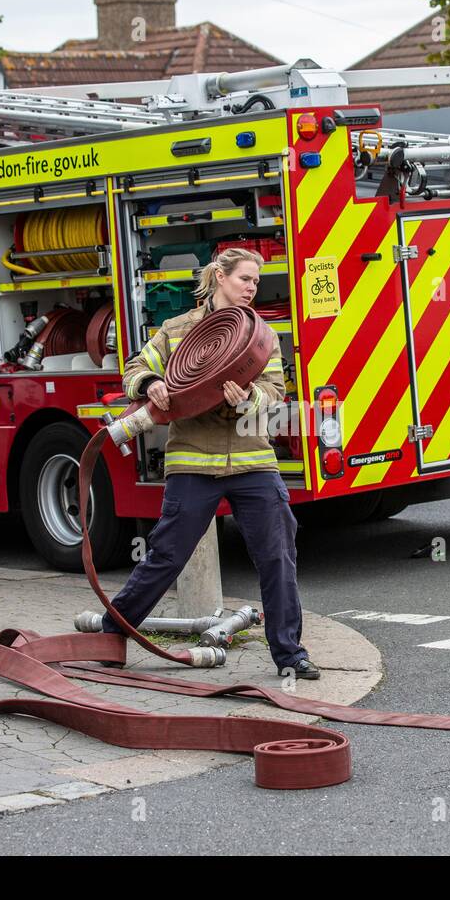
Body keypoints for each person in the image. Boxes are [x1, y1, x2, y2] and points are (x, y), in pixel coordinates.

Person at [106, 247, 320, 679]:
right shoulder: (176, 330)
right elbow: (133, 370)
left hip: (252, 462)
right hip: (193, 463)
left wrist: (251, 398)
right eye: (245, 279)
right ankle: (111, 633)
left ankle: (290, 655)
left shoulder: (261, 334)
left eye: (256, 282)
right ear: (220, 276)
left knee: (277, 555)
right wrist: (152, 384)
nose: (252, 288)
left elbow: (277, 394)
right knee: (166, 554)